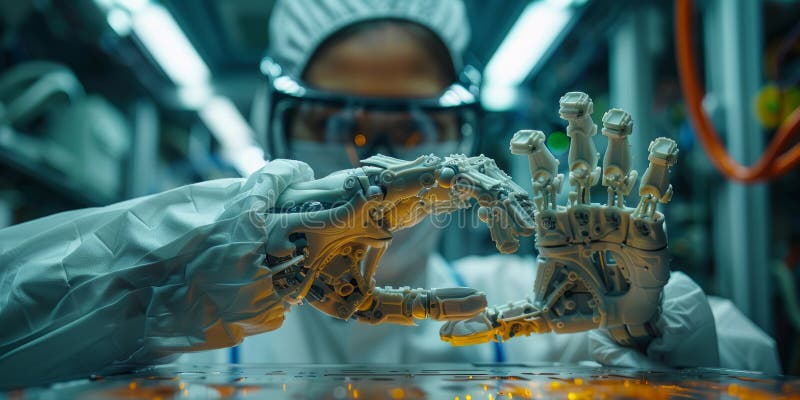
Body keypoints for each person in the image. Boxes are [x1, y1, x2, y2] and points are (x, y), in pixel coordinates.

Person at [0, 0, 779, 389]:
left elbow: (750, 360)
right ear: (278, 127)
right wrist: (149, 288)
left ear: (462, 138)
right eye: (333, 118)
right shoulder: (189, 329)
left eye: (411, 126)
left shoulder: (534, 312)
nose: (367, 154)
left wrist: (652, 337)